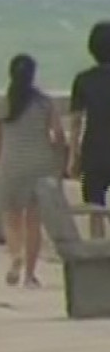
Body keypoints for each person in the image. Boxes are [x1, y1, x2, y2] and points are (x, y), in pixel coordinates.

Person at [0, 55, 67, 288]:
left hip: (12, 163)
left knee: (10, 216)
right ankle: (30, 276)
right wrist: (60, 162)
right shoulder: (45, 104)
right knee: (33, 221)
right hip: (40, 164)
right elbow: (58, 136)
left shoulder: (2, 104)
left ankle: (16, 255)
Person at [68, 20, 110, 240]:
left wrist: (73, 157)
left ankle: (100, 254)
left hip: (93, 150)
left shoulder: (83, 80)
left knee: (95, 209)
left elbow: (75, 123)